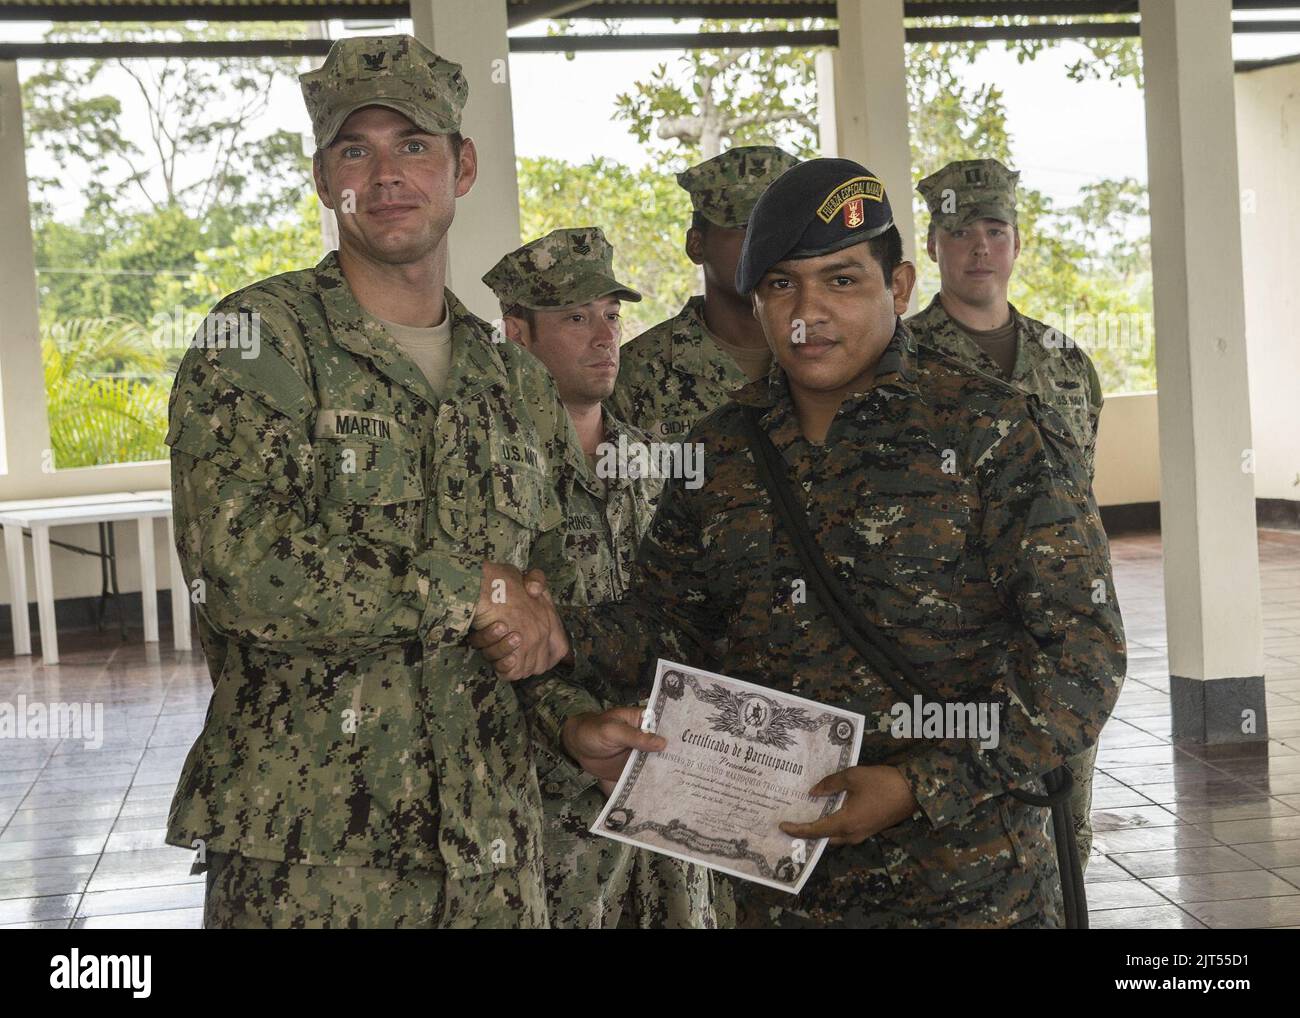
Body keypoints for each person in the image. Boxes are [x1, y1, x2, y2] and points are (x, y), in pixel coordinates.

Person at [473, 159, 1126, 928]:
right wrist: (561, 635)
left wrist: (920, 783)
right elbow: (667, 629)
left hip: (970, 887)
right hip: (779, 886)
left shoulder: (994, 433)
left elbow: (1082, 655)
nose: (807, 313)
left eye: (841, 281)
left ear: (901, 287)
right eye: (782, 285)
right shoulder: (722, 450)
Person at [165, 34, 574, 928]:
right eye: (357, 150)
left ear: (462, 166)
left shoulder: (516, 383)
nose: (387, 175)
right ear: (324, 180)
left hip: (494, 852)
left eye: (414, 145)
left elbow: (558, 589)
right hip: (312, 862)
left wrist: (567, 686)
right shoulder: (259, 343)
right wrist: (470, 589)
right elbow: (240, 568)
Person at [482, 226, 719, 928]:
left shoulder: (664, 465)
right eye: (576, 318)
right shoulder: (492, 472)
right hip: (550, 804)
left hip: (668, 786)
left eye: (612, 316)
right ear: (518, 334)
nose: (604, 336)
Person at [908, 157, 1109, 866]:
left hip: (1058, 639)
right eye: (960, 231)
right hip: (951, 643)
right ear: (933, 245)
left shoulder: (1064, 360)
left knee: (1063, 831)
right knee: (965, 840)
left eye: (995, 229)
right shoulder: (900, 361)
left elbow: (1081, 497)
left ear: (1018, 243)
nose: (980, 247)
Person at [608, 145, 799, 442]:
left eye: (784, 230)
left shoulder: (830, 351)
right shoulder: (634, 376)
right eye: (747, 228)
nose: (769, 246)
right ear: (696, 245)